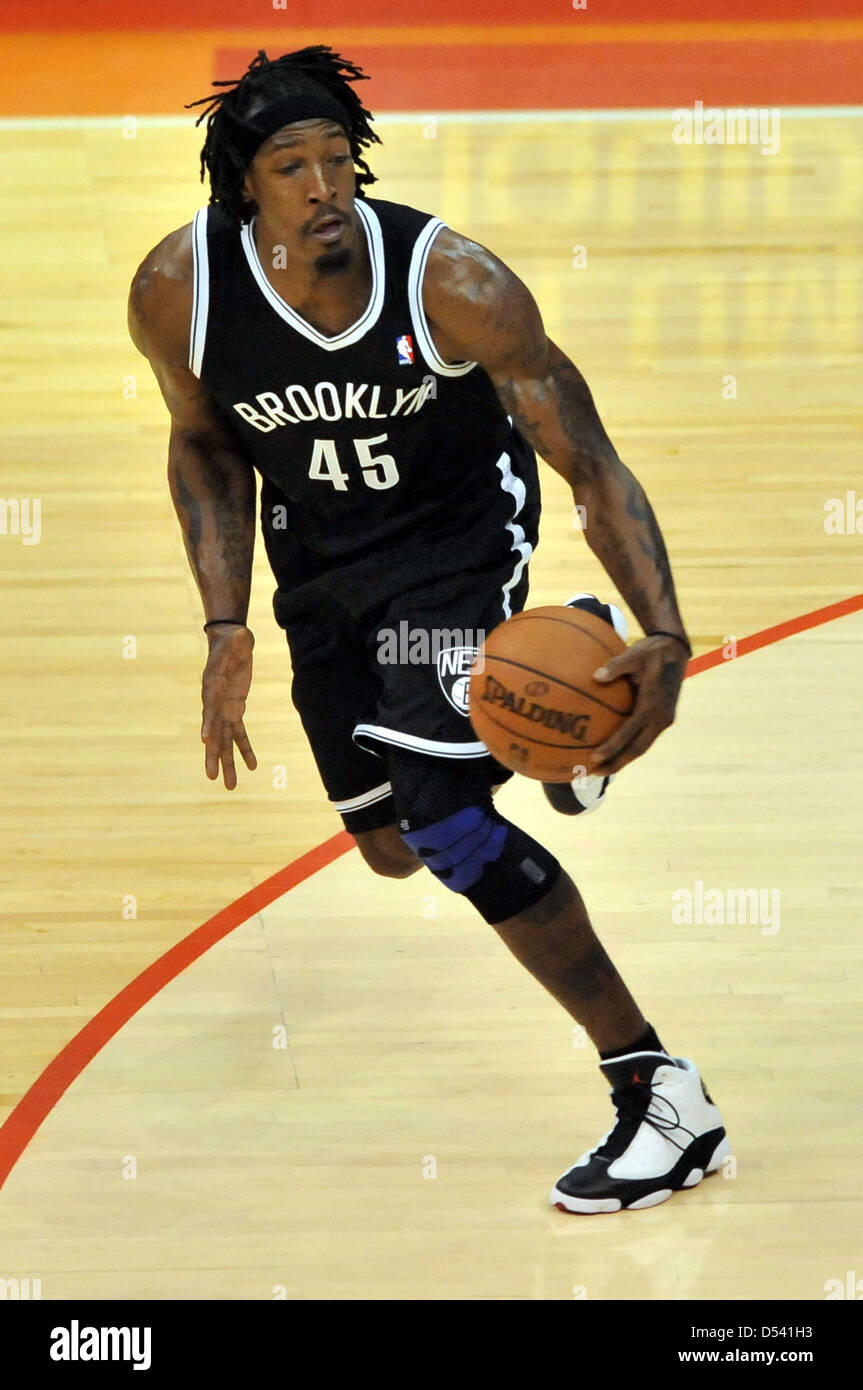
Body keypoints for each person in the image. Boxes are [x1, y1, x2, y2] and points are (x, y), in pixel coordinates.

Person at [127, 45, 729, 1214]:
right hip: (322, 573)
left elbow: (588, 465)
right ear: (244, 187)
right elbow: (201, 443)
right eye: (290, 168)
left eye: (336, 161)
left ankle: (659, 1093)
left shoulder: (454, 283)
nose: (321, 188)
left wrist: (667, 632)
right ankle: (558, 670)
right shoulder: (178, 293)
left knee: (446, 824)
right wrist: (223, 625)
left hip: (458, 542)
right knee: (389, 844)